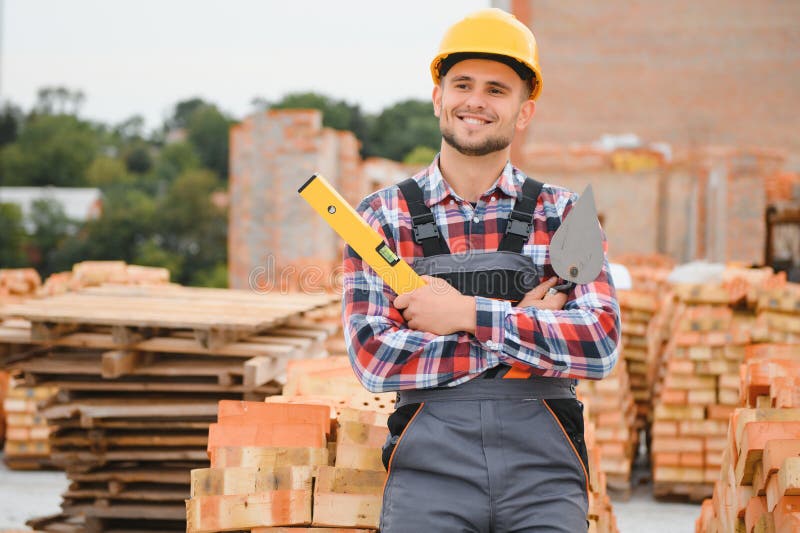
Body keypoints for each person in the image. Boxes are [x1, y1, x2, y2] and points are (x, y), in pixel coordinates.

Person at [342, 8, 620, 533]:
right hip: (430, 474)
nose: (476, 100)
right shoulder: (382, 218)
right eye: (462, 84)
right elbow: (375, 359)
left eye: (497, 89)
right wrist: (525, 326)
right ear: (437, 98)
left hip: (544, 476)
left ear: (524, 111)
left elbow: (599, 344)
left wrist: (463, 312)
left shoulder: (563, 215)